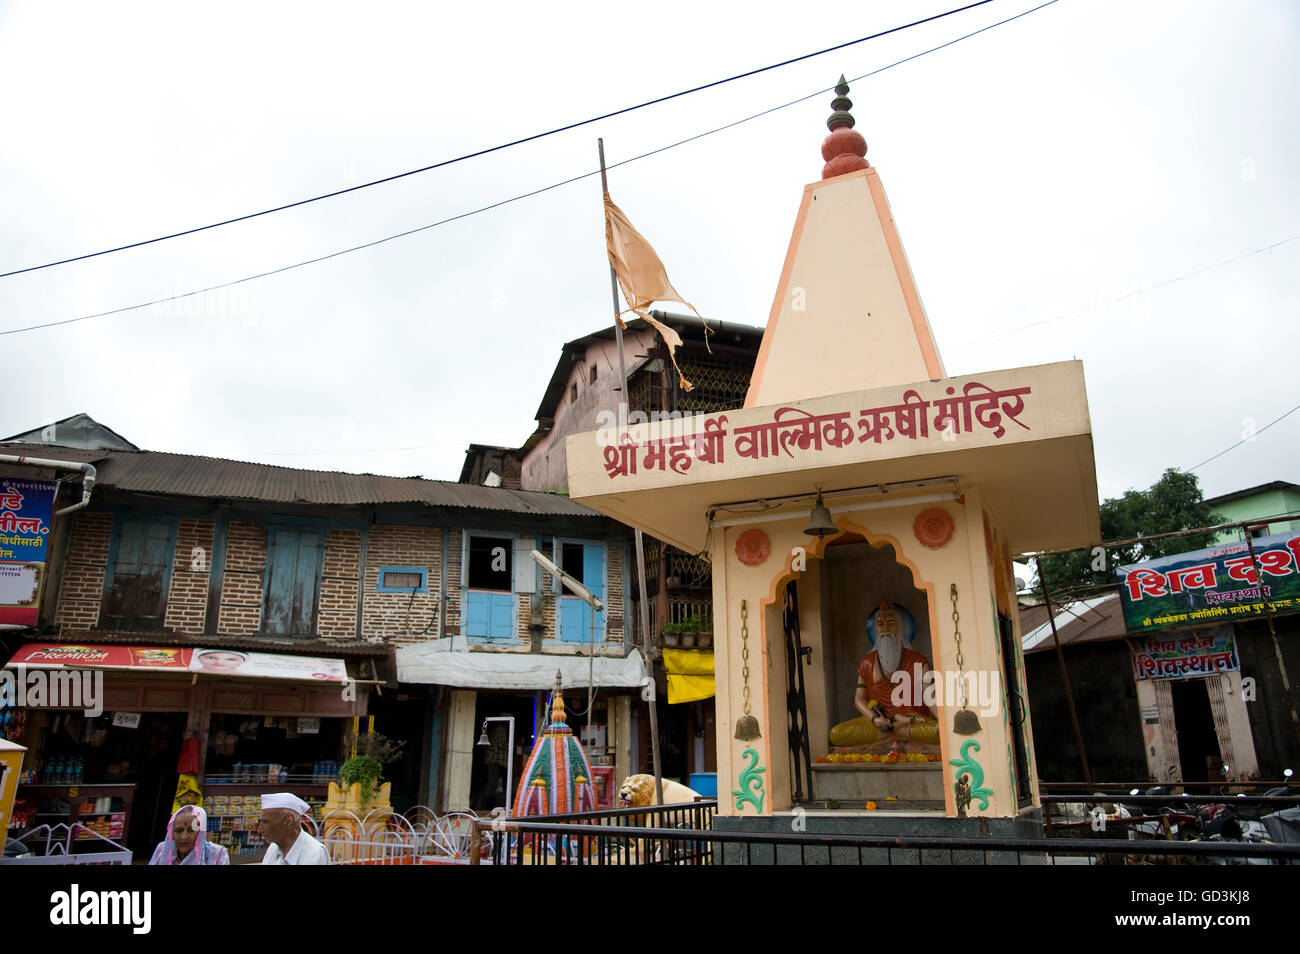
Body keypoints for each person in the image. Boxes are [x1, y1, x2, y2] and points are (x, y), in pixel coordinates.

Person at [829, 602, 940, 747]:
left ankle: (894, 733)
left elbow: (928, 695)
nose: (885, 628)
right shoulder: (867, 662)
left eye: (891, 623)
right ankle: (895, 732)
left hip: (911, 722)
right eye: (880, 624)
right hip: (879, 723)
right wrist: (874, 719)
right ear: (875, 629)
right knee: (837, 734)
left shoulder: (918, 660)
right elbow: (859, 699)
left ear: (901, 627)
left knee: (939, 733)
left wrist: (940, 719)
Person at [259, 793, 330, 865]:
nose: (260, 830)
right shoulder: (273, 848)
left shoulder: (315, 853)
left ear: (289, 821)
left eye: (266, 822)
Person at [148, 805, 229, 865]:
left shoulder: (217, 854)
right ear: (171, 833)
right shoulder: (162, 849)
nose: (184, 837)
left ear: (200, 834)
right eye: (178, 831)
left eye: (191, 831)